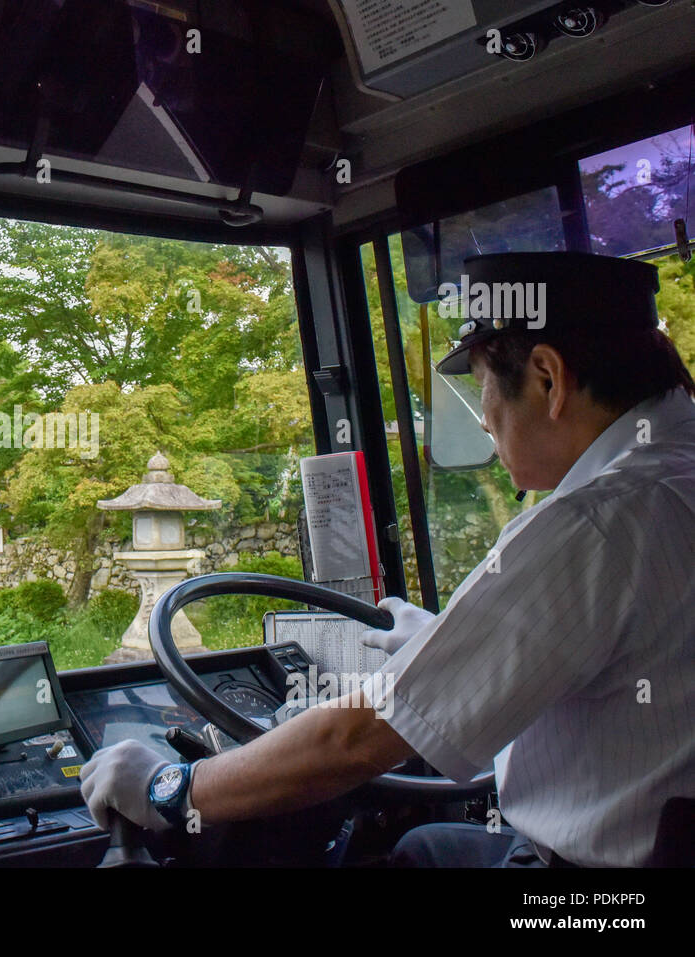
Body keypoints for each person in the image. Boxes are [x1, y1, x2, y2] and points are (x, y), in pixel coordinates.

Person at [80, 251, 695, 867]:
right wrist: (444, 645)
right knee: (422, 848)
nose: (483, 418)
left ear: (547, 377)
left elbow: (354, 740)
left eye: (482, 386)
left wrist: (171, 788)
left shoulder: (594, 522)